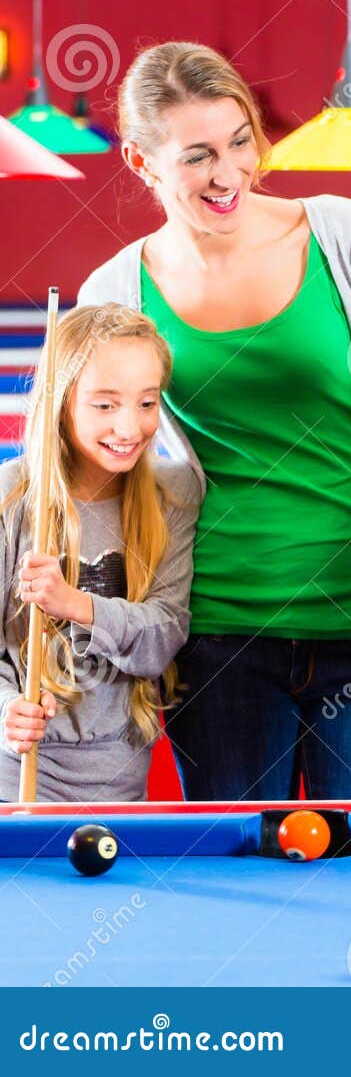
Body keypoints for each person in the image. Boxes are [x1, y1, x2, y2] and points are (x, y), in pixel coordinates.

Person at [78, 41, 351, 802]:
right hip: (219, 630)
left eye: (241, 141)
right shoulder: (115, 291)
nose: (230, 172)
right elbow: (80, 461)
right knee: (248, 888)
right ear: (142, 163)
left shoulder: (350, 236)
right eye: (199, 155)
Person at [0, 305, 199, 802]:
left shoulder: (172, 495)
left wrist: (76, 604)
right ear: (62, 401)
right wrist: (7, 708)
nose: (130, 428)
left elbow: (162, 637)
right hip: (16, 778)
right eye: (105, 405)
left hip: (117, 783)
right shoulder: (11, 495)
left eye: (147, 403)